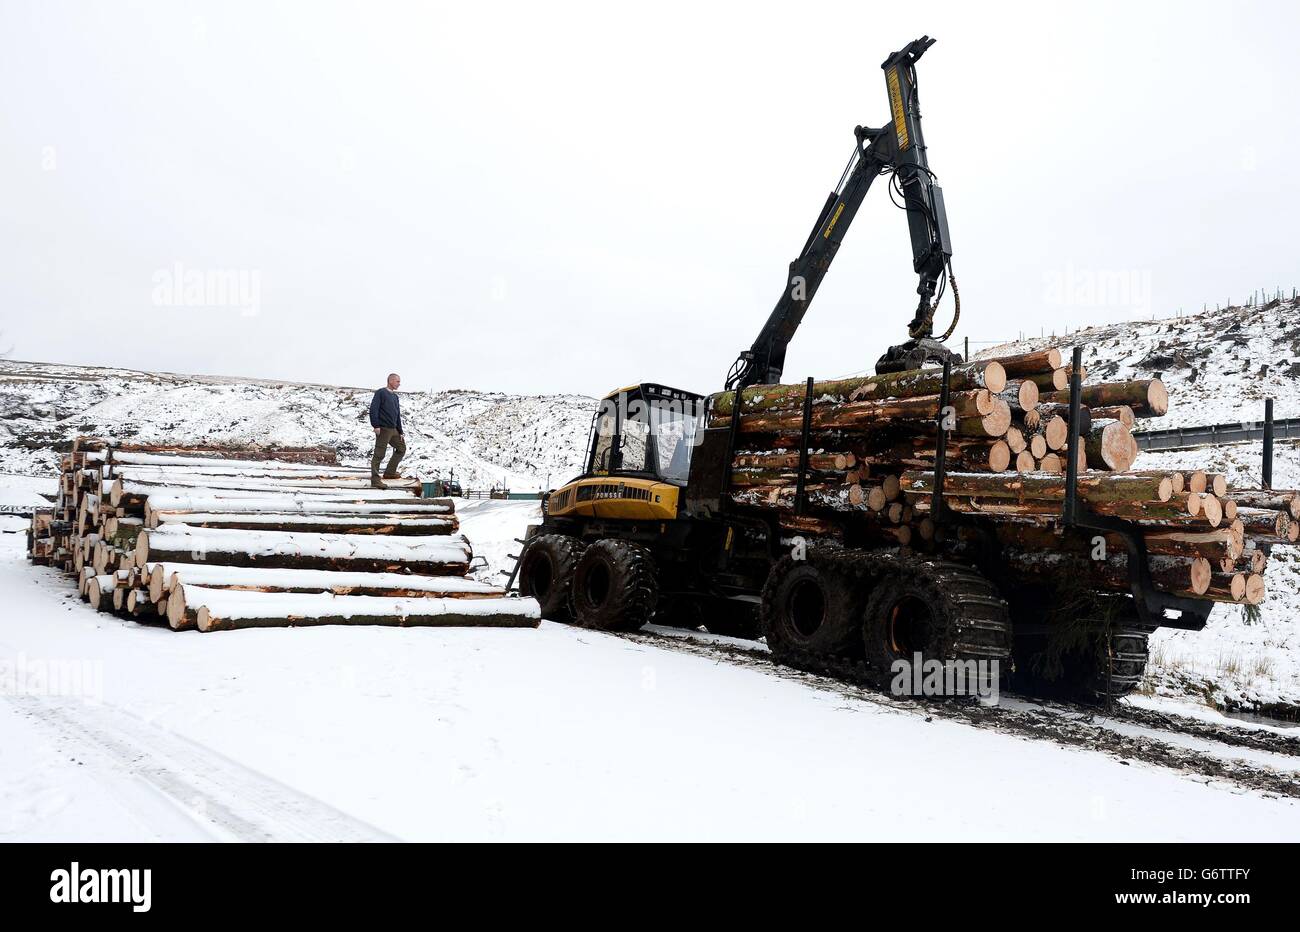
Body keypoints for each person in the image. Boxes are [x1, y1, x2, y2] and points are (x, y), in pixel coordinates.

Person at [369, 373, 406, 488]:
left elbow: (397, 415)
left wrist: (400, 431)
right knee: (379, 454)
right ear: (390, 381)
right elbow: (373, 409)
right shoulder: (381, 393)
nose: (399, 384)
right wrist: (376, 425)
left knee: (401, 448)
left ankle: (390, 472)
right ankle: (375, 480)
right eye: (397, 381)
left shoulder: (395, 397)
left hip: (394, 429)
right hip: (383, 429)